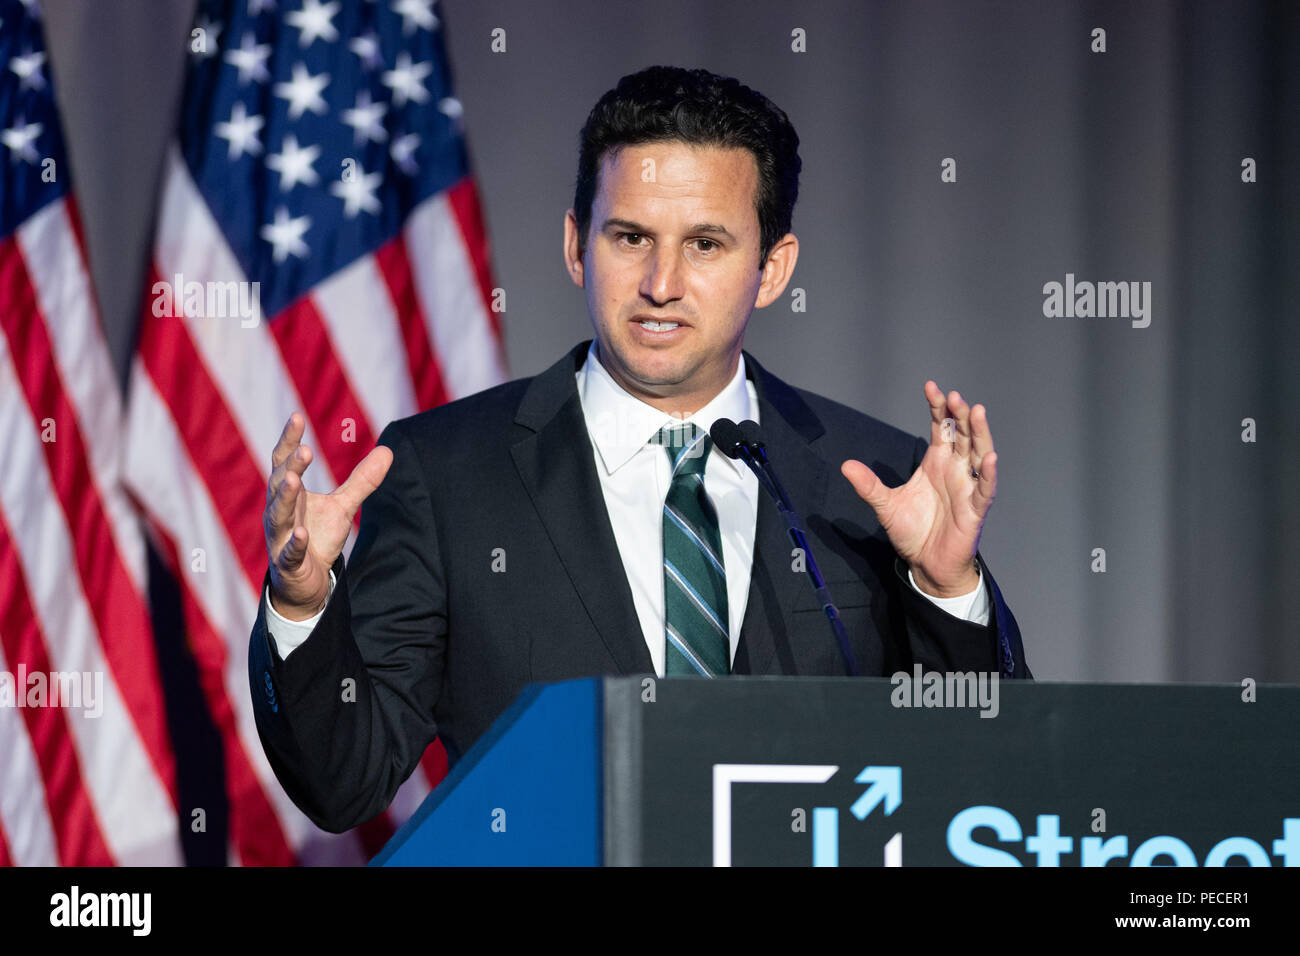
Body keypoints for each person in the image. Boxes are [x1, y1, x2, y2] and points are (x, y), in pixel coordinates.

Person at [249, 66, 1030, 834]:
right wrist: (304, 604)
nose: (661, 282)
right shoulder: (447, 473)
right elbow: (341, 783)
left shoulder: (873, 479)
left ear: (772, 269)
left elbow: (988, 784)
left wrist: (946, 587)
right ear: (576, 245)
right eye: (630, 237)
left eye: (706, 245)